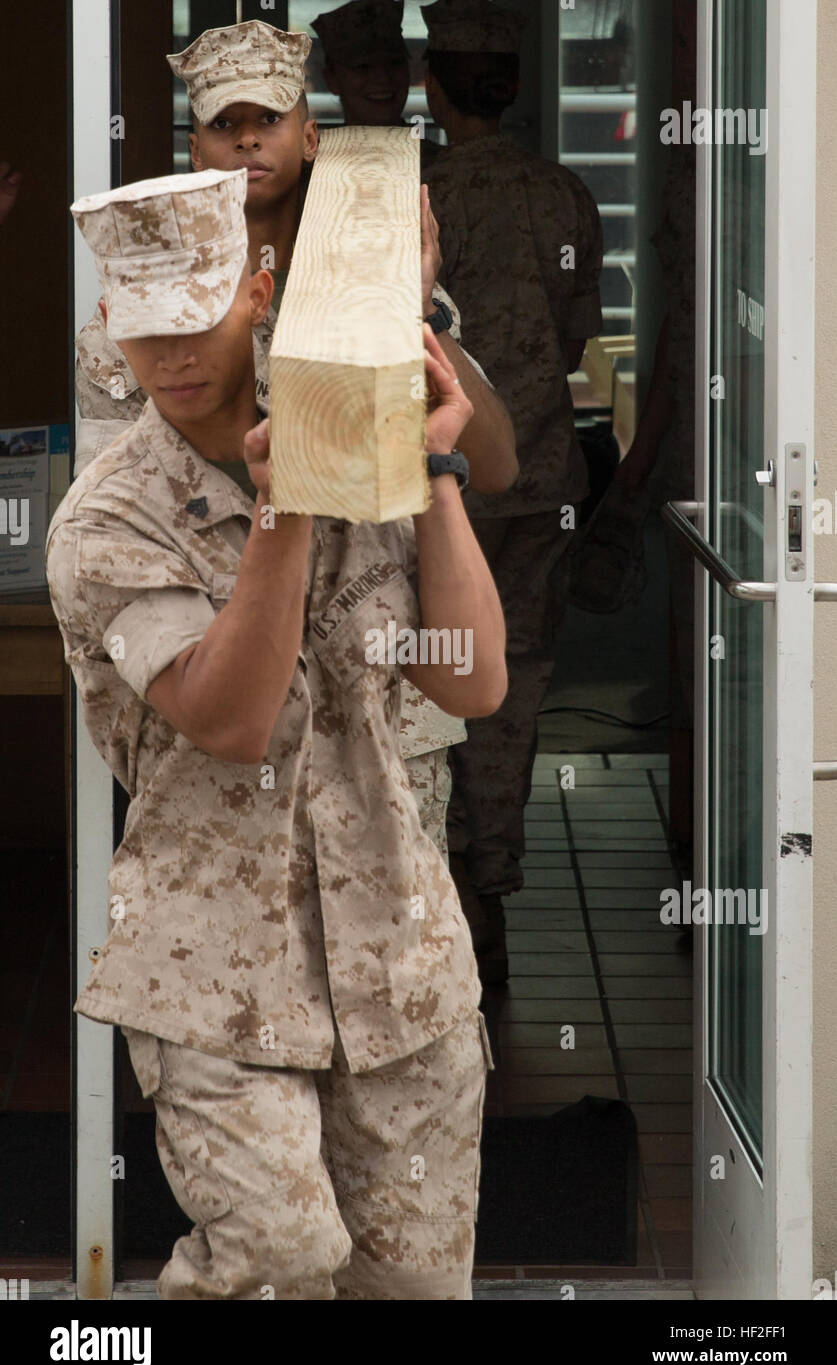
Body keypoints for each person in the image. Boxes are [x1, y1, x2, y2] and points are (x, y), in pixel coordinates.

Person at [47, 165, 506, 1299]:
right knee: (280, 1263)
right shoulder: (106, 519)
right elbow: (233, 718)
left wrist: (436, 471)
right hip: (217, 969)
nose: (177, 358)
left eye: (200, 319)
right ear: (113, 323)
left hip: (398, 955)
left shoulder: (351, 422)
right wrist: (283, 505)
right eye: (147, 331)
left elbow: (474, 682)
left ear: (258, 290)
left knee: (413, 1285)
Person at [72, 18, 518, 861]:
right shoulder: (137, 318)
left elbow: (492, 463)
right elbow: (114, 528)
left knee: (392, 944)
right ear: (193, 145)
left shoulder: (375, 281)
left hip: (380, 696)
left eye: (267, 119)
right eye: (222, 123)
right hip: (222, 690)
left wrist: (408, 310)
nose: (246, 139)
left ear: (310, 136)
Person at [420, 0, 604, 981]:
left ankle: (442, 895)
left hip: (436, 488)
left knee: (429, 681)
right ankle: (491, 883)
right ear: (517, 87)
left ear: (432, 84)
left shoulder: (415, 199)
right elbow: (578, 337)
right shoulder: (565, 193)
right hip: (538, 483)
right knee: (514, 686)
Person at [313, 0, 443, 173]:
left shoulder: (440, 166)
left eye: (394, 63)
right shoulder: (313, 167)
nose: (382, 78)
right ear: (332, 79)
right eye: (363, 66)